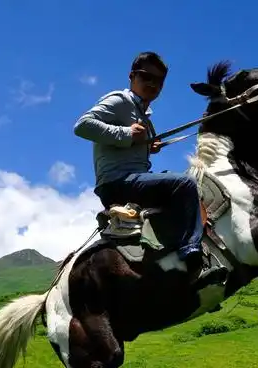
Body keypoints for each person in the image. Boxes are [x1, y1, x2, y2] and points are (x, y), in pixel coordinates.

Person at [73, 51, 226, 287]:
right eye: (146, 77)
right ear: (132, 76)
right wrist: (126, 134)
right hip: (117, 182)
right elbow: (83, 126)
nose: (153, 84)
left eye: (159, 81)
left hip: (130, 179)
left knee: (183, 185)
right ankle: (192, 255)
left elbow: (130, 143)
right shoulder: (119, 100)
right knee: (185, 183)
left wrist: (147, 146)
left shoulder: (143, 113)